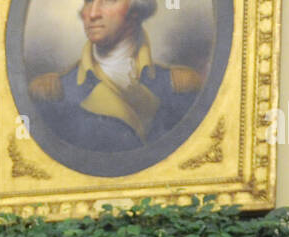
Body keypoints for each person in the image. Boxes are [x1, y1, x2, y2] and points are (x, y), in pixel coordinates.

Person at [28, 0, 203, 154]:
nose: (93, 13)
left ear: (136, 10)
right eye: (89, 1)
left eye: (109, 0)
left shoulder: (178, 86)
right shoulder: (55, 92)